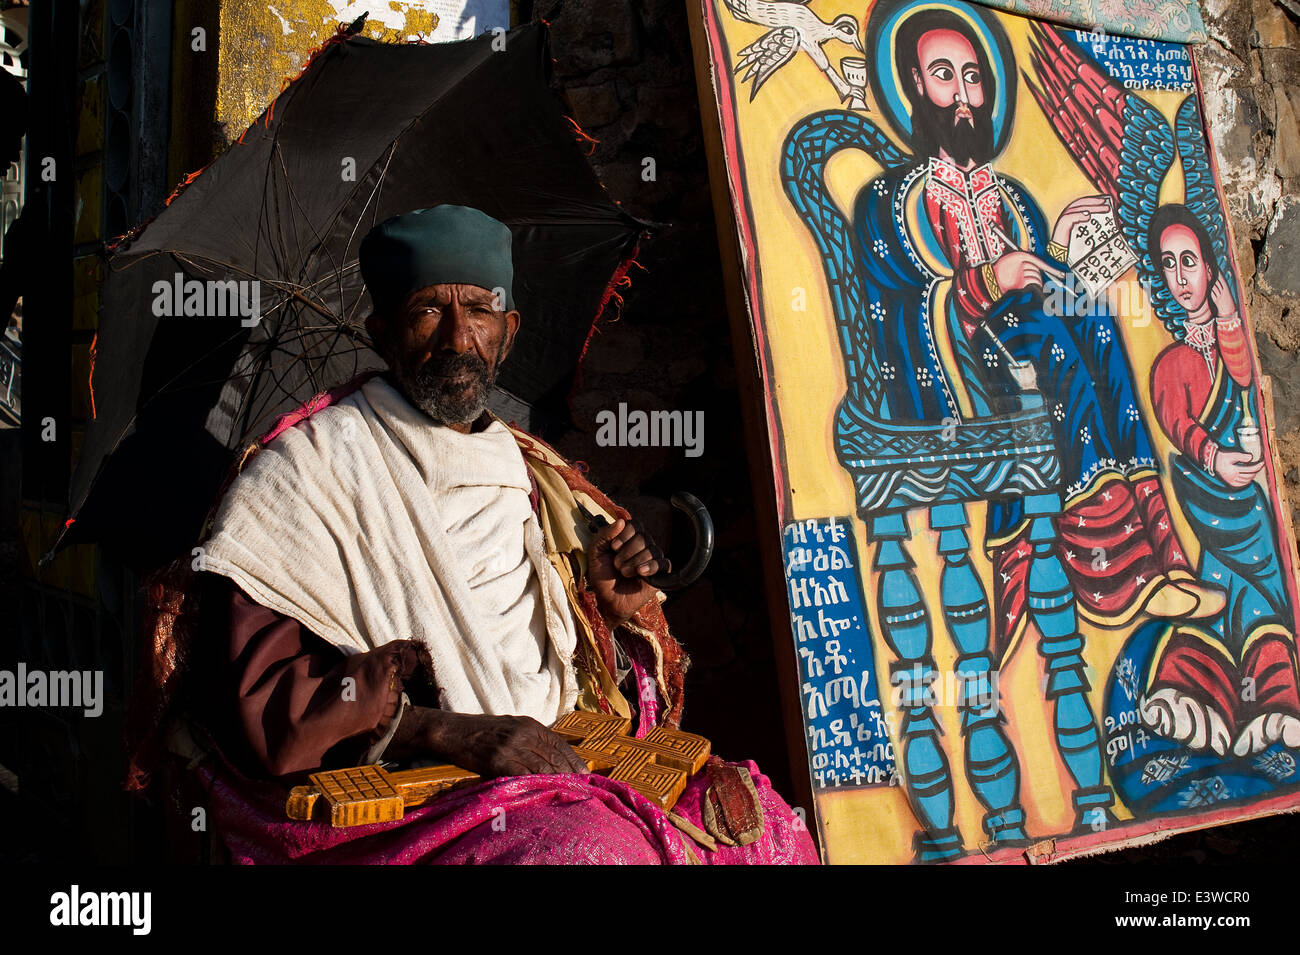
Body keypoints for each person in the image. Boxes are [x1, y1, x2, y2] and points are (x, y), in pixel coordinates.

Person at [175, 205, 817, 864]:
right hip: (417, 790)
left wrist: (611, 607)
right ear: (381, 332)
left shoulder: (530, 470)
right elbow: (271, 710)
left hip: (560, 753)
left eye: (479, 311)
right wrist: (451, 732)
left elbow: (578, 676)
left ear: (507, 332)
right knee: (593, 855)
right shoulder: (307, 471)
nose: (457, 337)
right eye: (427, 311)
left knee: (768, 826)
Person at [851, 8, 1224, 640]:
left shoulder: (1014, 198)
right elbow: (899, 302)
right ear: (913, 84)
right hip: (956, 366)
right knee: (1053, 341)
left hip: (1027, 346)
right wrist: (990, 282)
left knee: (1096, 320)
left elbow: (1043, 283)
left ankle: (1166, 556)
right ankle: (1113, 573)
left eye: (974, 78)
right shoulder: (891, 200)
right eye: (945, 76)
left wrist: (1063, 258)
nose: (965, 96)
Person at [1142, 203, 1300, 757]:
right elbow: (1178, 423)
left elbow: (1241, 374)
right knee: (1221, 588)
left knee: (1260, 590)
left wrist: (1230, 314)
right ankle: (1202, 694)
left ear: (1210, 267)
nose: (1182, 277)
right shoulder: (1172, 362)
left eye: (1191, 261)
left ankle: (1272, 700)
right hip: (1211, 504)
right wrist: (1216, 461)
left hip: (1252, 511)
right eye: (1169, 265)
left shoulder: (1228, 344)